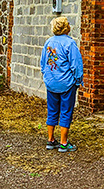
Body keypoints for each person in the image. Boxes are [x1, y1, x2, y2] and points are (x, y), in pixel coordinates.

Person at [40, 16, 83, 153]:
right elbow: (76, 65)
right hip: (66, 83)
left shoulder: (48, 43)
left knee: (52, 110)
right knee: (66, 111)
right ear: (66, 27)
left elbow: (43, 63)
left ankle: (51, 140)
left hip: (51, 83)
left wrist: (47, 77)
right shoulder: (70, 44)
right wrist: (77, 80)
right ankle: (64, 143)